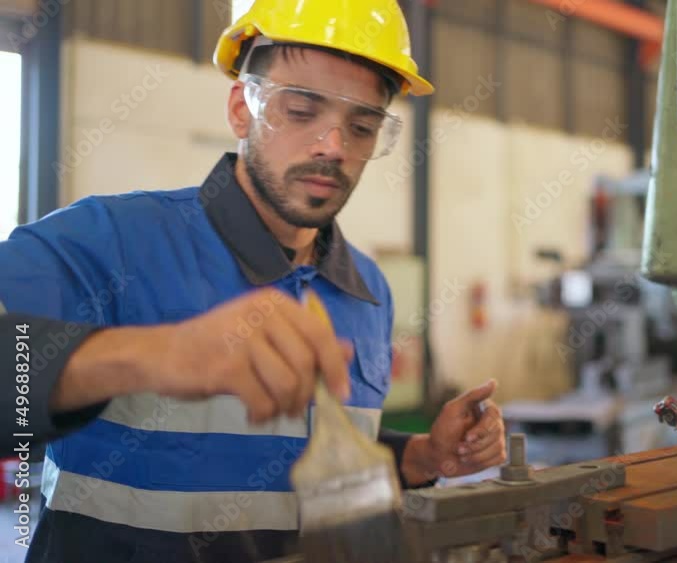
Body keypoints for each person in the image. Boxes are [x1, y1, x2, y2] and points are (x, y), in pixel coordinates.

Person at [0, 1, 507, 561]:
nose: (333, 147)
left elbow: (302, 461)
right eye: (300, 111)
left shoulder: (367, 292)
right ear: (242, 108)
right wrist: (152, 355)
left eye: (362, 127)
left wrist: (421, 458)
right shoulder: (106, 243)